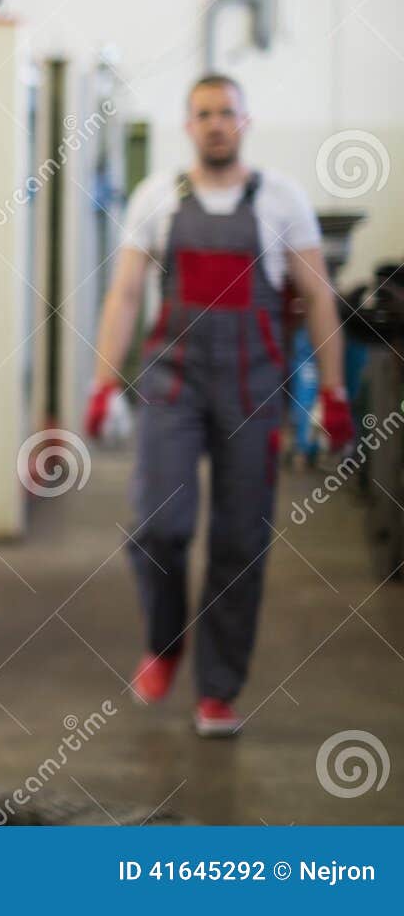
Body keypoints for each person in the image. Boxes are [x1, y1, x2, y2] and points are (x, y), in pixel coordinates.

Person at [85, 75, 355, 737]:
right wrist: (102, 384)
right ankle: (164, 639)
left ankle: (218, 688)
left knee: (239, 540)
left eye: (226, 113)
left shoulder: (282, 201)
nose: (215, 124)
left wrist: (335, 390)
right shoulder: (158, 199)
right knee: (161, 526)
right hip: (172, 385)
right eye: (203, 113)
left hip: (252, 390)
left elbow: (318, 298)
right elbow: (123, 296)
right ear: (188, 125)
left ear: (245, 121)